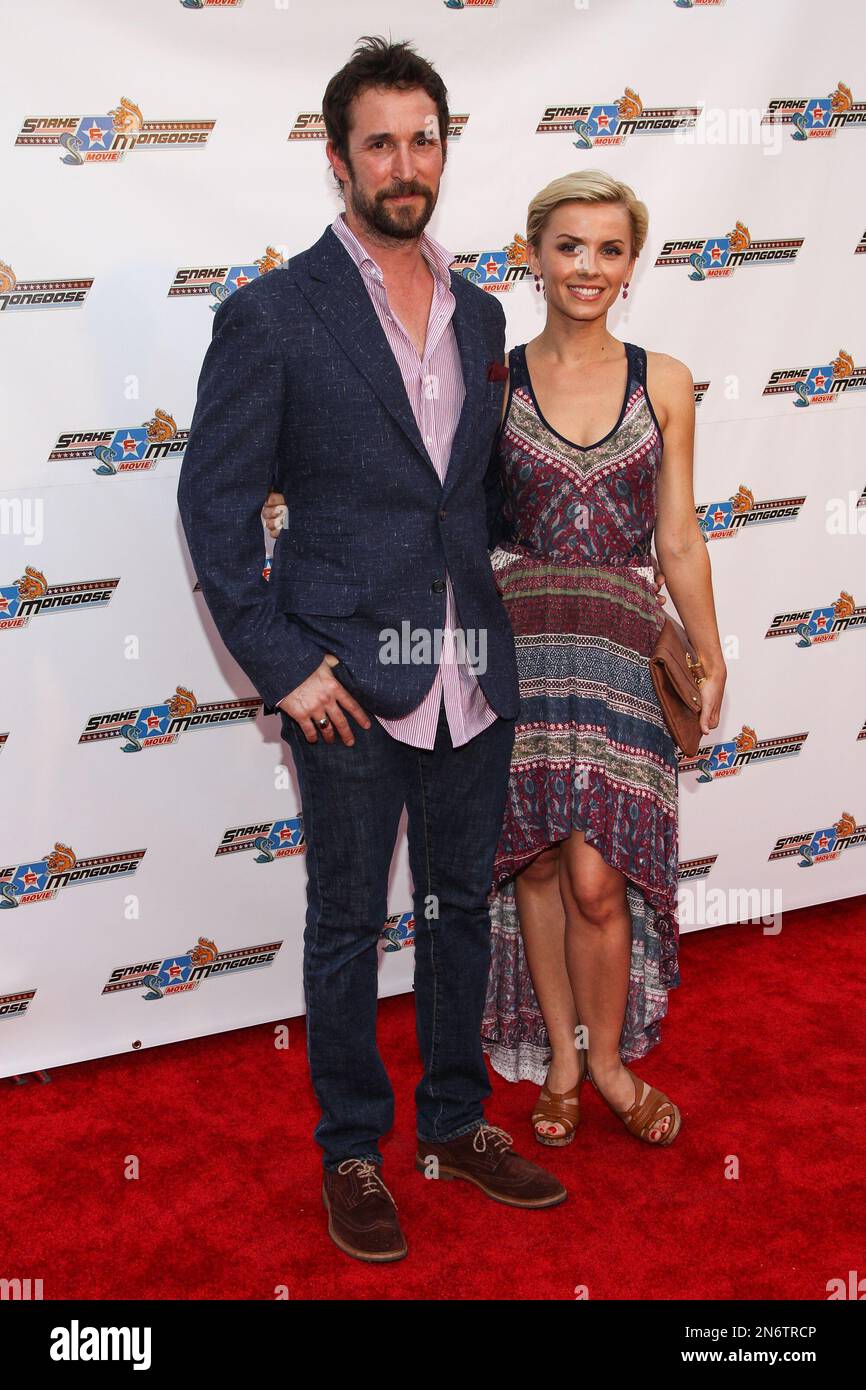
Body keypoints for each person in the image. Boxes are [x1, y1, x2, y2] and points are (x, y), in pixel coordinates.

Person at [177, 36, 566, 1268]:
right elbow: (212, 508)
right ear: (337, 156)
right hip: (345, 683)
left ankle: (453, 1125)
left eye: (423, 138)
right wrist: (283, 666)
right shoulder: (274, 314)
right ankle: (353, 1146)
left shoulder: (484, 308)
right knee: (346, 924)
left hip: (470, 673)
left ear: (445, 147)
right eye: (379, 141)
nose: (405, 163)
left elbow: (470, 495)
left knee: (459, 912)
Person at [479, 170, 726, 1148]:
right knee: (535, 867)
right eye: (569, 246)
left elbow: (677, 537)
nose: (587, 267)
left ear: (631, 265)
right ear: (533, 255)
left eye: (608, 249)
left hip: (622, 647)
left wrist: (706, 654)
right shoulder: (492, 380)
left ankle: (612, 1063)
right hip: (520, 650)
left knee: (596, 878)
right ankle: (564, 1061)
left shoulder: (658, 379)